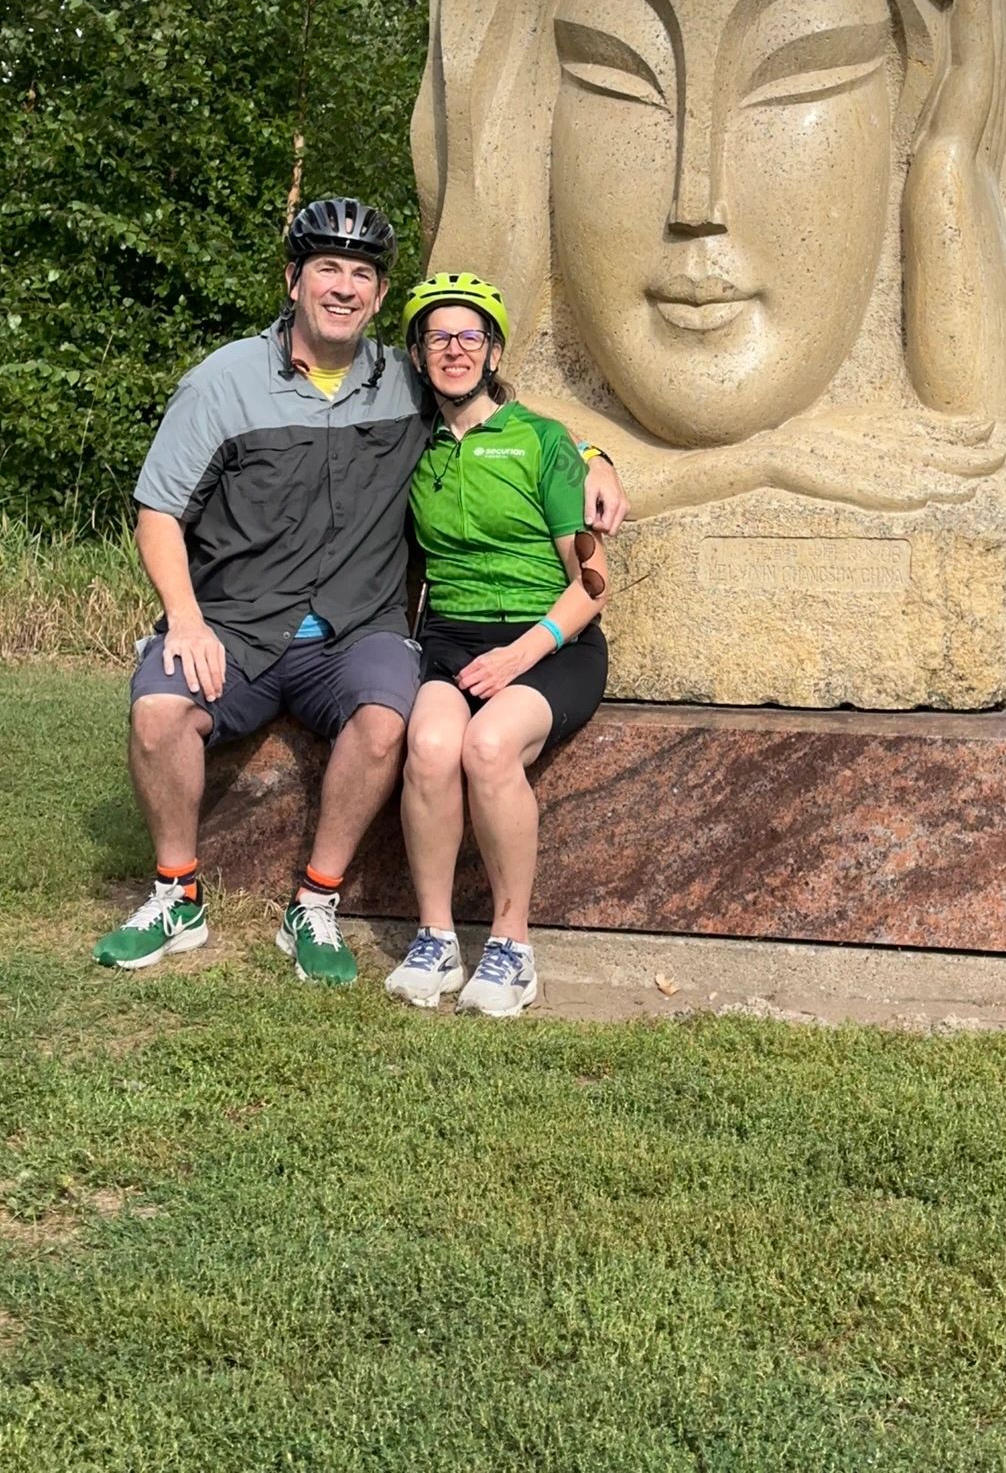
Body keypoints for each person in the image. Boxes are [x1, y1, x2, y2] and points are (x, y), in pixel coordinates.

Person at [93, 203, 626, 986]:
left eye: (362, 274)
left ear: (378, 297)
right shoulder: (221, 383)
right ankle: (177, 894)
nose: (344, 287)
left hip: (352, 630)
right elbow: (158, 512)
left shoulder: (405, 381)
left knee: (385, 719)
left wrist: (595, 453)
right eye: (327, 269)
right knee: (158, 711)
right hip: (237, 623)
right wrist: (185, 619)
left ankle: (316, 900)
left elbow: (503, 412)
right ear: (294, 280)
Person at [384, 272, 609, 1018]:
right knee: (429, 747)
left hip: (551, 642)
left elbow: (591, 585)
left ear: (494, 351)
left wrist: (522, 654)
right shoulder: (412, 447)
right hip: (451, 639)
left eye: (469, 336)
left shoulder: (541, 441)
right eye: (437, 338)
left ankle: (512, 948)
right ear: (419, 356)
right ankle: (436, 938)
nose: (454, 350)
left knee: (487, 747)